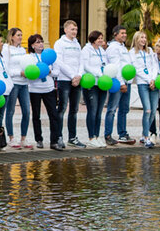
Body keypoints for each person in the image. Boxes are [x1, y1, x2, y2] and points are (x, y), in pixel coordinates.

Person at [27, 34, 63, 150]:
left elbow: (57, 72)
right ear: (32, 45)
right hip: (34, 89)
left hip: (49, 88)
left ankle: (54, 141)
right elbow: (28, 74)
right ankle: (39, 139)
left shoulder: (49, 56)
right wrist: (37, 72)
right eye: (37, 42)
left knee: (54, 114)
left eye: (41, 41)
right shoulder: (30, 58)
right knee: (36, 115)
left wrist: (49, 71)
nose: (40, 44)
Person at [53, 20, 84, 148]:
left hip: (77, 81)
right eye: (72, 29)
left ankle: (72, 137)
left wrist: (79, 75)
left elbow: (81, 61)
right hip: (64, 80)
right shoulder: (59, 44)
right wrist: (72, 76)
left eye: (76, 29)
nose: (74, 32)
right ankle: (58, 137)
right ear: (65, 30)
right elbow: (59, 62)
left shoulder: (77, 44)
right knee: (62, 108)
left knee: (74, 110)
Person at [104, 25, 133, 145]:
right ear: (115, 34)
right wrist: (122, 83)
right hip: (118, 83)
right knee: (112, 109)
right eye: (122, 33)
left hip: (126, 82)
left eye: (125, 33)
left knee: (124, 109)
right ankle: (108, 135)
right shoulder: (113, 48)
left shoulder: (123, 47)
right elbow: (116, 67)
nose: (124, 35)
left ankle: (122, 133)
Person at [80, 30, 109, 147]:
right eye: (99, 38)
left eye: (102, 38)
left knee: (99, 111)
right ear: (93, 39)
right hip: (91, 83)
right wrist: (98, 73)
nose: (101, 40)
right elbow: (86, 65)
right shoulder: (86, 50)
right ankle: (91, 137)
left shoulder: (102, 51)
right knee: (92, 110)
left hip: (102, 83)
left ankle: (97, 135)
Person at [4, 28, 31, 149]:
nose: (20, 37)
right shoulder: (7, 49)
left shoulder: (22, 50)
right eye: (18, 35)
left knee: (26, 111)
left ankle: (23, 138)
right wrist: (19, 73)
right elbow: (6, 67)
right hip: (13, 83)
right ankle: (11, 137)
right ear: (12, 36)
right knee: (10, 111)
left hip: (24, 84)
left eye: (21, 35)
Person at [130, 31, 156, 148]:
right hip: (142, 83)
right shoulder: (132, 53)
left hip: (154, 83)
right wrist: (148, 80)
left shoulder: (150, 51)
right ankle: (146, 137)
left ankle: (143, 134)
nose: (144, 40)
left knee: (154, 111)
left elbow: (154, 66)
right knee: (147, 110)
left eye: (145, 37)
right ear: (136, 39)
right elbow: (137, 69)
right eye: (141, 37)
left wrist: (153, 79)